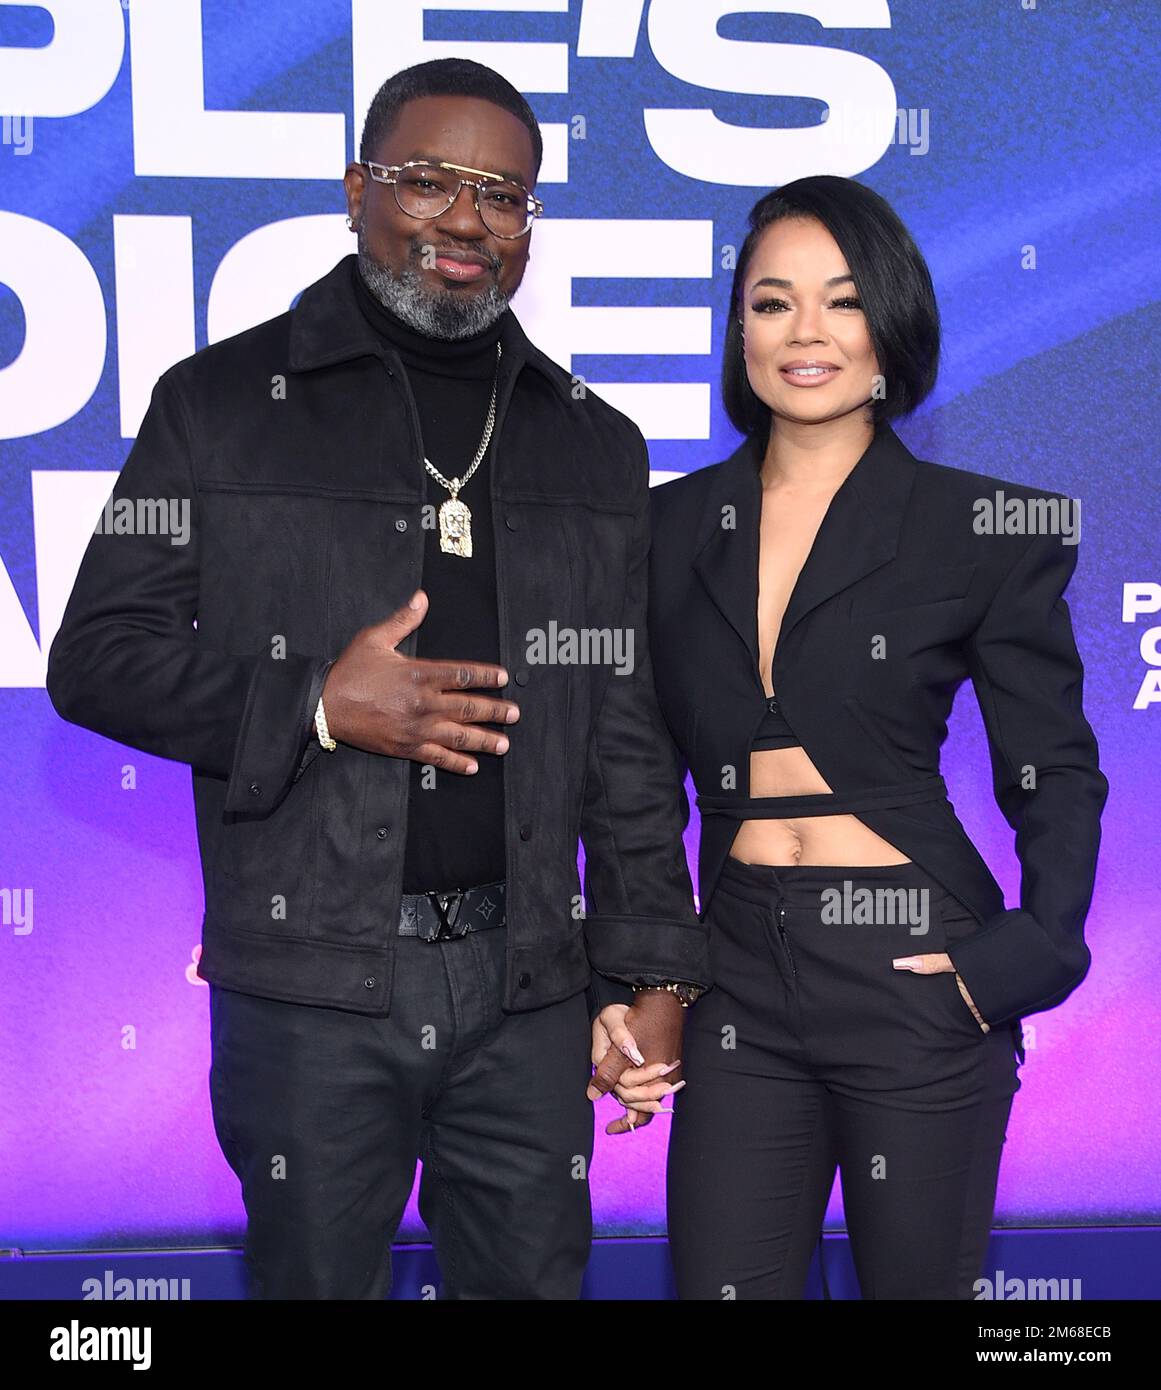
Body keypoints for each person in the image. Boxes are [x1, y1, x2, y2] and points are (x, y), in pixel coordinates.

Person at [46, 57, 708, 1300]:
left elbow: (625, 738)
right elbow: (94, 656)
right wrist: (310, 703)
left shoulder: (592, 441)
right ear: (358, 191)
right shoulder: (223, 404)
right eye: (426, 181)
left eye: (503, 195)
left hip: (529, 990)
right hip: (311, 990)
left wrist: (654, 971)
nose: (465, 220)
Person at [632, 175, 1107, 1299]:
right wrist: (644, 969)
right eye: (770, 302)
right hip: (739, 977)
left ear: (888, 331)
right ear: (738, 330)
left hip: (917, 969)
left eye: (840, 302)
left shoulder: (980, 531)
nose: (805, 333)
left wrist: (1021, 959)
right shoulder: (660, 527)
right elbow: (635, 777)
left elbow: (1054, 771)